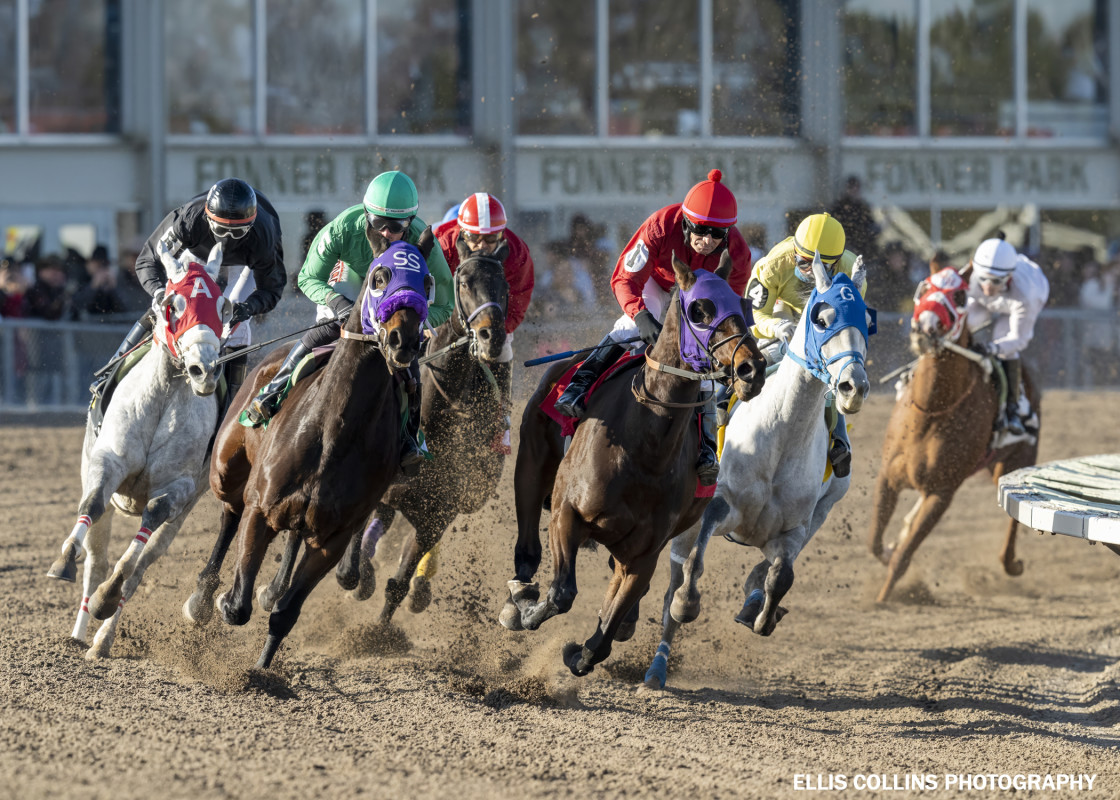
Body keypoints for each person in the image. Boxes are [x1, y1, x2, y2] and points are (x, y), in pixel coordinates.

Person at [247, 170, 453, 475]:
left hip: (392, 295)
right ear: (366, 215)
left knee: (406, 359)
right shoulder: (342, 229)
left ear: (410, 223)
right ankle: (272, 393)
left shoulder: (424, 243)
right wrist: (339, 305)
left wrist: (416, 326)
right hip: (353, 279)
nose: (385, 233)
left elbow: (446, 304)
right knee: (330, 329)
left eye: (395, 226)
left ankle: (409, 438)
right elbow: (307, 276)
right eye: (377, 223)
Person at [554, 169, 751, 485]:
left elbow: (731, 303)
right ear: (686, 222)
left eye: (717, 234)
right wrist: (640, 315)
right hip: (658, 286)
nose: (708, 241)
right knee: (630, 327)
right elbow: (624, 279)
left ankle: (707, 448)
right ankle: (579, 386)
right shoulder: (660, 226)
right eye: (700, 230)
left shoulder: (738, 253)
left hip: (700, 299)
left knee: (703, 361)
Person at [89, 178, 286, 405]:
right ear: (208, 217)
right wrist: (159, 293)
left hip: (247, 262)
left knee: (236, 325)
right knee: (169, 309)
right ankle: (109, 374)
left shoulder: (265, 235)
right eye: (221, 229)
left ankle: (232, 405)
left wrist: (249, 307)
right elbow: (146, 261)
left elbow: (272, 289)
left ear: (250, 226)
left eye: (236, 232)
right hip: (197, 253)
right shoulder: (188, 220)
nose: (227, 240)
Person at [745, 212, 866, 477]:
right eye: (802, 262)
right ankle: (722, 403)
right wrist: (776, 327)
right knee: (760, 354)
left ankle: (838, 436)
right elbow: (753, 317)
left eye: (818, 265)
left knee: (836, 370)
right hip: (782, 312)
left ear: (835, 263)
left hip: (825, 322)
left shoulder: (850, 272)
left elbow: (848, 327)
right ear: (793, 253)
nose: (809, 271)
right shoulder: (773, 265)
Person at [434, 192, 535, 454]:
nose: (482, 246)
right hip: (447, 315)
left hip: (490, 317)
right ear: (462, 233)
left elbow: (520, 298)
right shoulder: (442, 245)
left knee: (503, 349)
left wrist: (501, 330)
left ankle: (502, 423)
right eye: (475, 238)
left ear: (502, 234)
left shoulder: (517, 254)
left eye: (490, 239)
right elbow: (425, 289)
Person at [966, 235, 1050, 436]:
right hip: (997, 299)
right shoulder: (971, 275)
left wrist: (992, 348)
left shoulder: (1027, 294)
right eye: (982, 278)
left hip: (1017, 302)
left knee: (1002, 342)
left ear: (1008, 277)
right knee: (965, 323)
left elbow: (1019, 339)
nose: (987, 286)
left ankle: (1013, 407)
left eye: (995, 281)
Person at [828, 176, 879, 262]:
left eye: (856, 187)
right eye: (851, 187)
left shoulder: (863, 207)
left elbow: (870, 226)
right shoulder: (838, 206)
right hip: (843, 248)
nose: (854, 190)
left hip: (862, 249)